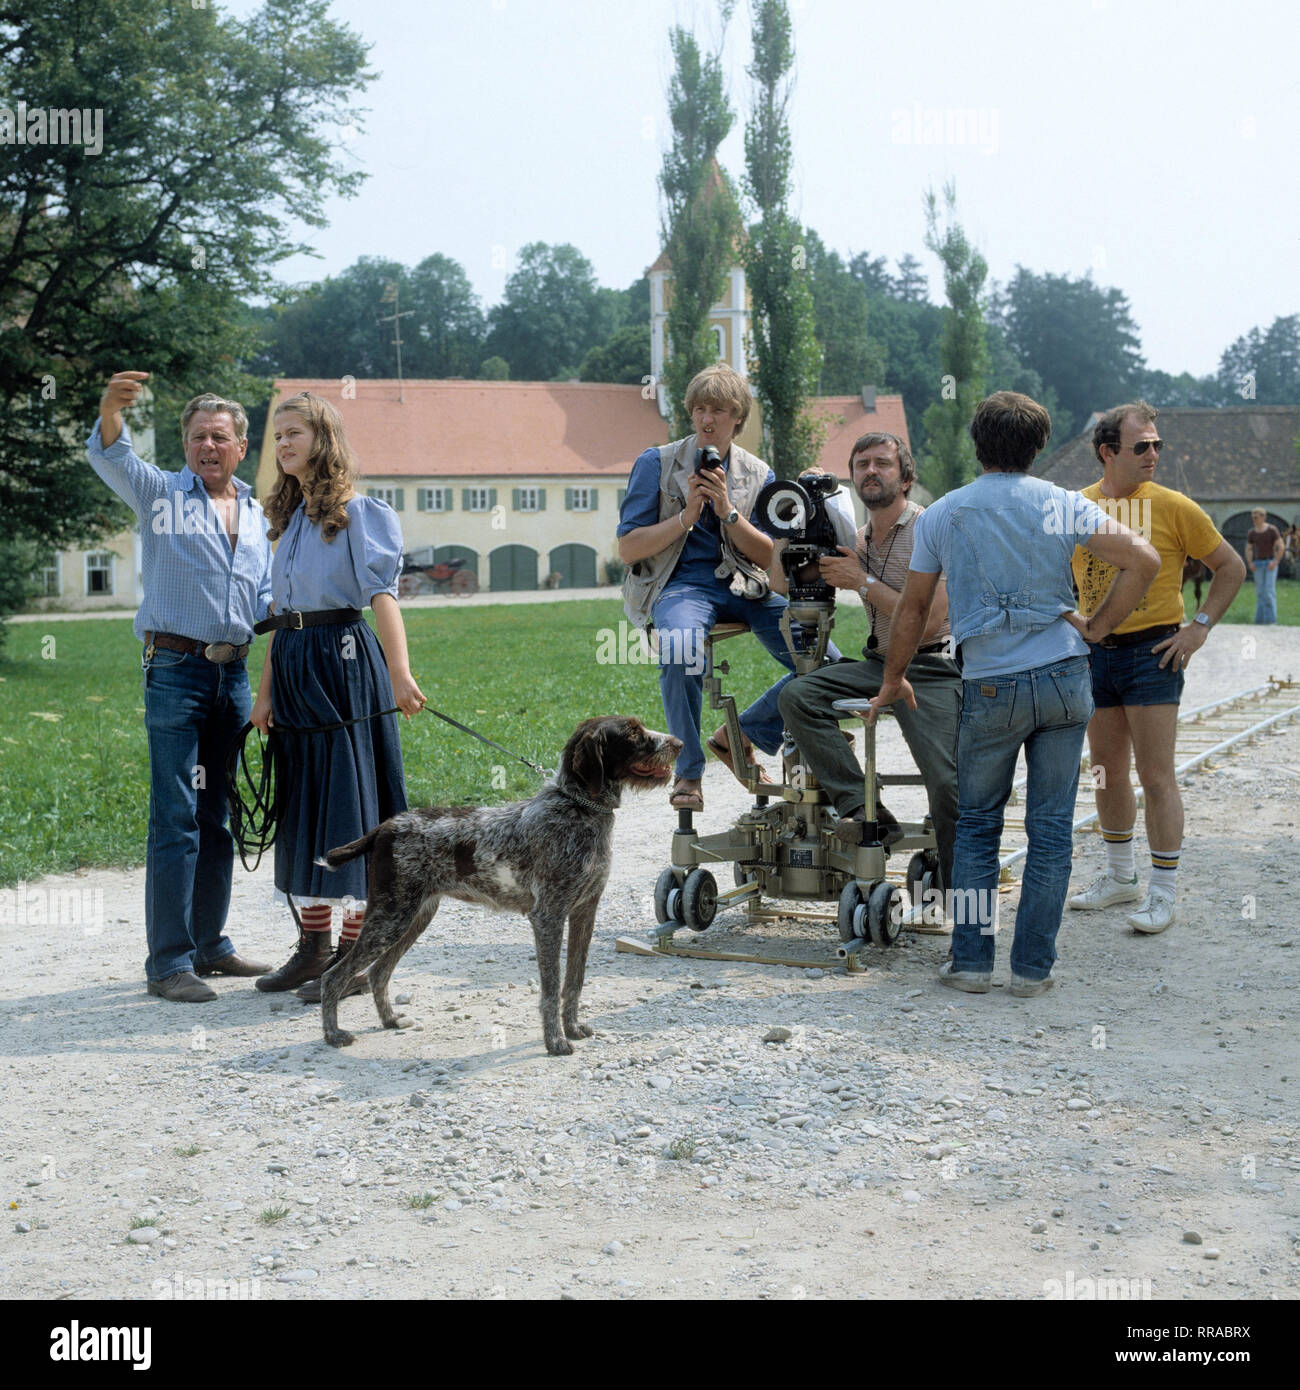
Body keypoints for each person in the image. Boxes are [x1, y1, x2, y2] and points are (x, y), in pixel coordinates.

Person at [867, 391, 1159, 995]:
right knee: (1050, 830)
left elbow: (914, 608)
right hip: (1062, 678)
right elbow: (1144, 559)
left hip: (989, 684)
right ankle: (1032, 970)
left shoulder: (945, 513)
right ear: (1039, 446)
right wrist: (1098, 627)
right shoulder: (1060, 504)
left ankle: (972, 962)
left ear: (977, 444)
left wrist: (893, 678)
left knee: (977, 825)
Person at [87, 371, 274, 1003]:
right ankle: (167, 963)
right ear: (185, 444)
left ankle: (210, 945)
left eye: (219, 437)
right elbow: (114, 454)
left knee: (219, 816)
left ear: (240, 446)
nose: (208, 447)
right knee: (176, 818)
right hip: (175, 672)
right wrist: (112, 409)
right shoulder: (161, 495)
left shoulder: (255, 514)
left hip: (236, 675)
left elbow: (267, 596)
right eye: (198, 437)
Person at [249, 392, 426, 1000]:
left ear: (323, 439)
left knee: (351, 803)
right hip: (295, 665)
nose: (283, 445)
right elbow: (279, 616)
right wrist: (265, 694)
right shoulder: (291, 519)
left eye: (293, 433)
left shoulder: (357, 513)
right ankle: (313, 946)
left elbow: (382, 598)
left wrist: (400, 674)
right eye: (277, 437)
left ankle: (356, 951)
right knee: (306, 803)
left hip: (343, 663)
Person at [617, 362, 839, 811]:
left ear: (737, 417)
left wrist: (727, 512)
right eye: (698, 408)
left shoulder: (758, 473)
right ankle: (689, 771)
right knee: (680, 650)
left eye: (717, 409)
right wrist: (686, 518)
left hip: (747, 585)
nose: (706, 419)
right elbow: (628, 548)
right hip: (681, 586)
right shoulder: (656, 462)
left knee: (824, 660)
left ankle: (739, 734)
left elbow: (769, 558)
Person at [1066, 402, 1245, 934]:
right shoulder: (1075, 505)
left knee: (1157, 774)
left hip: (1153, 652)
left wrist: (1201, 626)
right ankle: (1122, 878)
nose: (1153, 454)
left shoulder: (1174, 506)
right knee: (1105, 768)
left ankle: (1163, 891)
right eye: (1141, 446)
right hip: (1095, 652)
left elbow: (1230, 568)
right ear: (1107, 452)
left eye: (1157, 445)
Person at [776, 433, 960, 895]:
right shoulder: (855, 539)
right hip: (879, 663)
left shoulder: (930, 528)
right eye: (861, 465)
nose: (871, 472)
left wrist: (862, 583)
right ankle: (864, 811)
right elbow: (781, 581)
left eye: (882, 463)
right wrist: (793, 518)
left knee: (947, 785)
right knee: (798, 696)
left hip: (931, 668)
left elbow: (930, 618)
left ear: (906, 476)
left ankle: (960, 892)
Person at [1244, 508, 1283, 625]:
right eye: (1253, 517)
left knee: (1269, 591)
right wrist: (1250, 563)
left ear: (1263, 517)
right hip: (1258, 564)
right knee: (1260, 592)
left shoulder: (1272, 530)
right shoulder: (1252, 533)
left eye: (1256, 517)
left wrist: (1276, 562)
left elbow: (1280, 546)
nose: (1254, 519)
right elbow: (1249, 548)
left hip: (1270, 563)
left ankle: (1271, 621)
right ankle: (1259, 621)